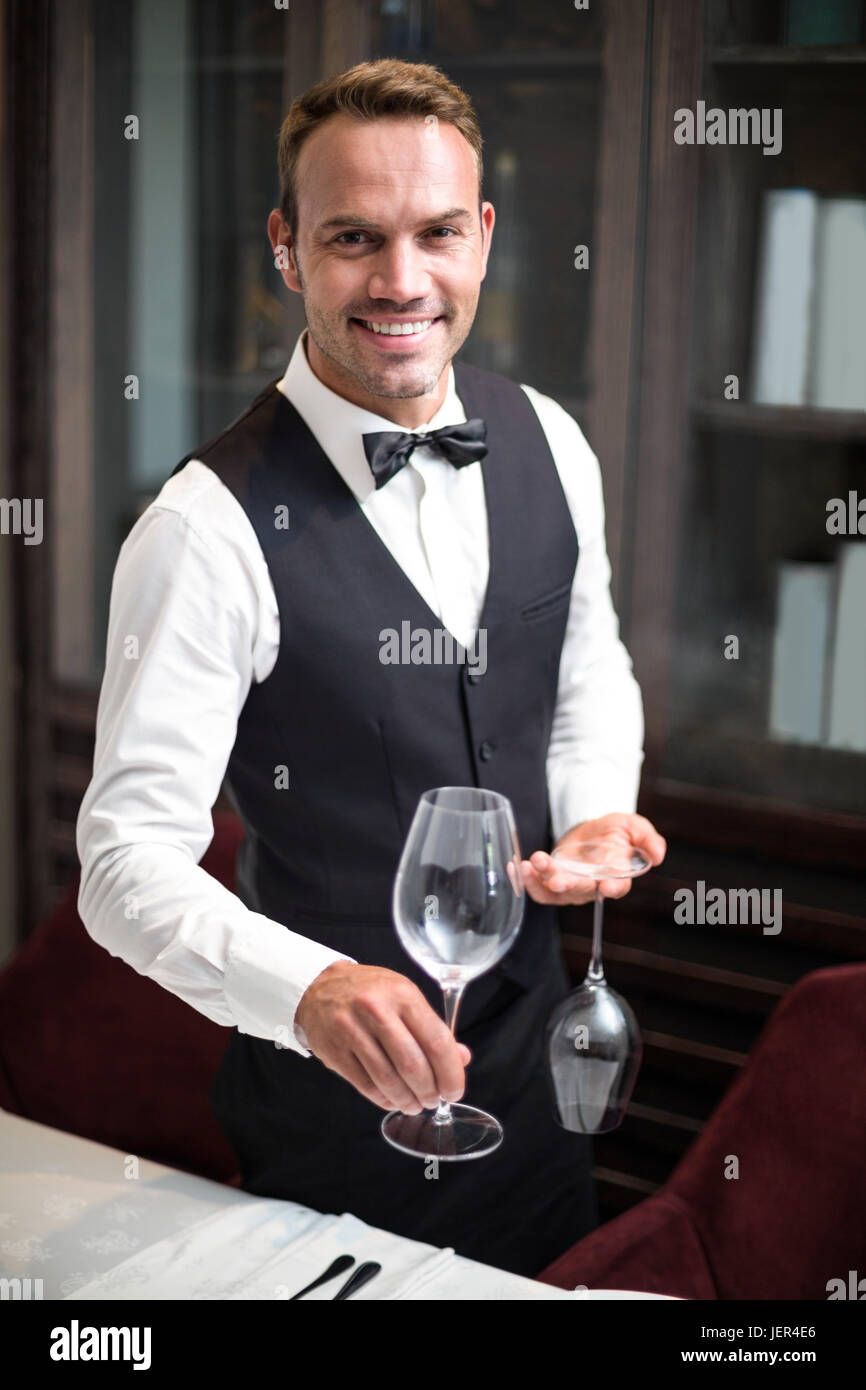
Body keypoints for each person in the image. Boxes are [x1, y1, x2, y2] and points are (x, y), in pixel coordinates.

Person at [76, 57, 665, 1279]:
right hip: (330, 1127)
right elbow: (123, 861)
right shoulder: (203, 528)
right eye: (354, 238)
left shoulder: (549, 437)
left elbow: (586, 665)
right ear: (287, 248)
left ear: (484, 237)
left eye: (436, 233)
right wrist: (308, 991)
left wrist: (598, 800)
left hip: (532, 1083)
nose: (402, 282)